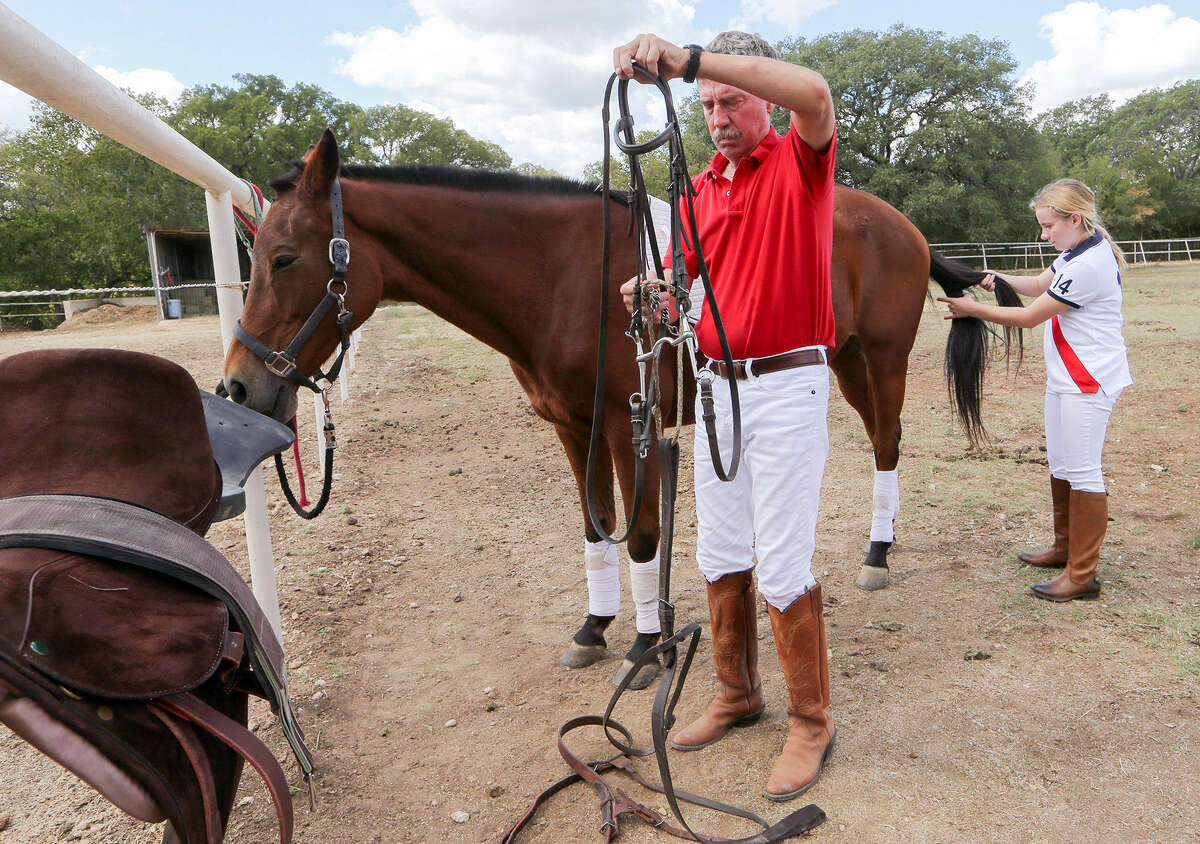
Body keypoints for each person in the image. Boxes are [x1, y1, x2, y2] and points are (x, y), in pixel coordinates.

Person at [613, 30, 837, 801]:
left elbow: (813, 92)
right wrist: (658, 294)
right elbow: (693, 289)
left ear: (761, 98)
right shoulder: (698, 190)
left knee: (780, 563)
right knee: (723, 553)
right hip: (716, 384)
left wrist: (689, 60)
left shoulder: (801, 159)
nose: (717, 113)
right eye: (707, 104)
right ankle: (737, 692)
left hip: (785, 386)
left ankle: (811, 720)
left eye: (731, 99)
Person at [939, 178, 1131, 602]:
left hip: (1088, 378)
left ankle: (1082, 575)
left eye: (1048, 226)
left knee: (1082, 471)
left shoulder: (1088, 265)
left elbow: (1031, 317)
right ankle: (1066, 549)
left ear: (1073, 219)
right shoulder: (1076, 250)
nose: (1043, 235)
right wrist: (996, 277)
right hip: (1067, 376)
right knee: (1063, 466)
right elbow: (1039, 286)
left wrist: (971, 308)